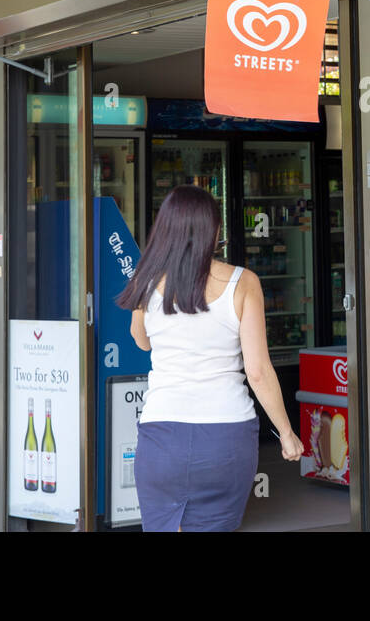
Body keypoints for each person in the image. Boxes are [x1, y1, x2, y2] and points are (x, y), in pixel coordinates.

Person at [118, 185, 303, 532]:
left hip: (162, 436)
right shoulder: (243, 282)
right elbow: (258, 372)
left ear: (165, 228)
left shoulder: (145, 280)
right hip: (227, 438)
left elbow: (140, 341)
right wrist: (286, 433)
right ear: (214, 231)